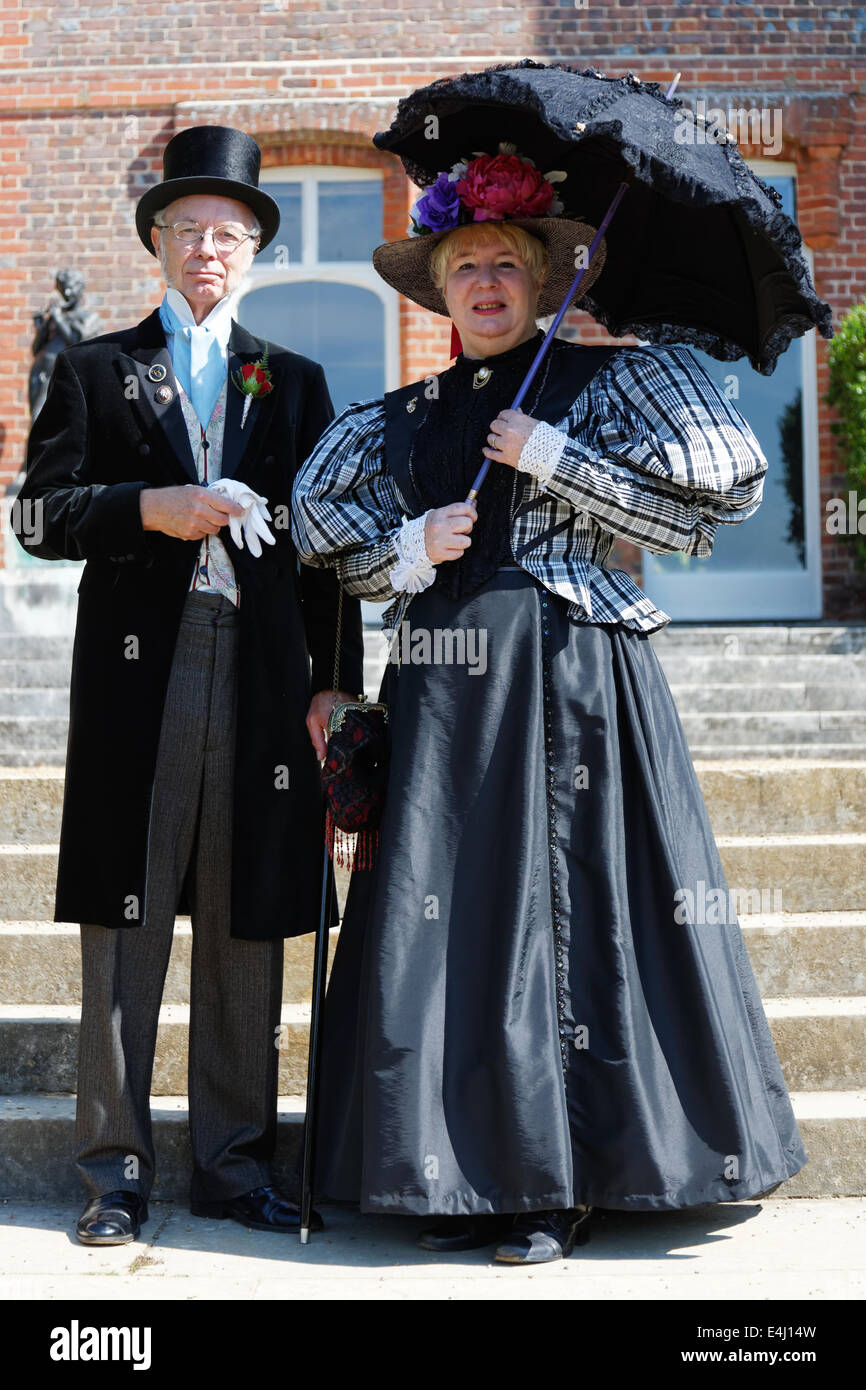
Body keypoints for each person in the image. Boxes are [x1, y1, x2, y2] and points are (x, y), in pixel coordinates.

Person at [291, 144, 807, 1266]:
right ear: (438, 291)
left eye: (505, 268)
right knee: (454, 918)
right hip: (439, 696)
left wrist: (559, 456)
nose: (482, 285)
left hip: (573, 680)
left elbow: (719, 492)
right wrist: (408, 544)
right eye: (462, 266)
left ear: (540, 283)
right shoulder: (400, 415)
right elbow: (316, 524)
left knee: (566, 920)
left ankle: (552, 1183)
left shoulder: (603, 379)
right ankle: (443, 1166)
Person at [14, 125, 363, 1245]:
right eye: (188, 228)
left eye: (230, 230)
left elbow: (332, 556)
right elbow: (37, 515)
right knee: (123, 921)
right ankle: (114, 1169)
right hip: (138, 677)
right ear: (158, 242)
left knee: (245, 923)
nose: (208, 245)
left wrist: (332, 688)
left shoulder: (294, 381)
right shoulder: (93, 368)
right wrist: (145, 510)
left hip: (263, 683)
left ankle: (232, 1163)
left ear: (255, 247)